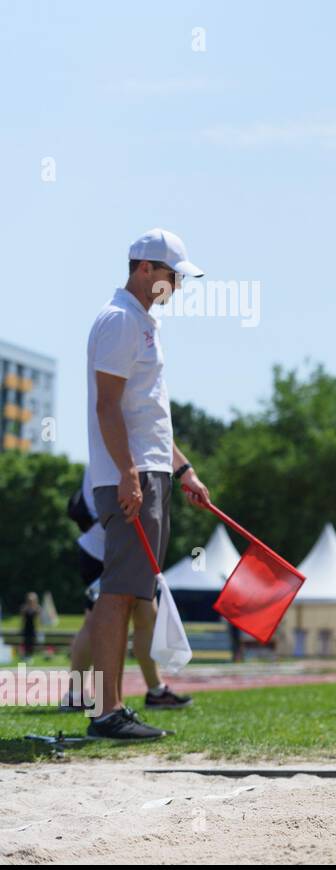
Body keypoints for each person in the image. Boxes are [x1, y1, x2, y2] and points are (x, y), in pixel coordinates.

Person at [84, 228, 212, 740]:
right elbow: (106, 405)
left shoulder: (142, 323)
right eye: (172, 275)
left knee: (134, 593)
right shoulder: (119, 321)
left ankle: (111, 708)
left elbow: (149, 416)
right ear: (145, 269)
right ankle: (107, 712)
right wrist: (129, 473)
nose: (177, 285)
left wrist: (183, 469)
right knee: (118, 594)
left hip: (152, 472)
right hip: (130, 476)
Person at [60, 467, 193, 711]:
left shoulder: (124, 450)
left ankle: (156, 691)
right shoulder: (113, 452)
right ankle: (75, 694)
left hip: (125, 549)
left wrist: (186, 472)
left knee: (146, 617)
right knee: (95, 621)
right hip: (104, 553)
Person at [20, 592, 41, 661]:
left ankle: (30, 655)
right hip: (26, 628)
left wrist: (38, 629)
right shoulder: (24, 608)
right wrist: (21, 628)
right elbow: (22, 620)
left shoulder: (37, 609)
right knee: (26, 642)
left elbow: (38, 620)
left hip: (33, 629)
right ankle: (26, 655)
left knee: (32, 642)